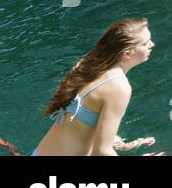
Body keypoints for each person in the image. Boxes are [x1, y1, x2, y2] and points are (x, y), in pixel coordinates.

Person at [32, 18, 159, 156]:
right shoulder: (119, 87)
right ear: (127, 53)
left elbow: (82, 124)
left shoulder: (90, 65)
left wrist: (125, 145)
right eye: (145, 43)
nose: (152, 44)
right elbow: (102, 152)